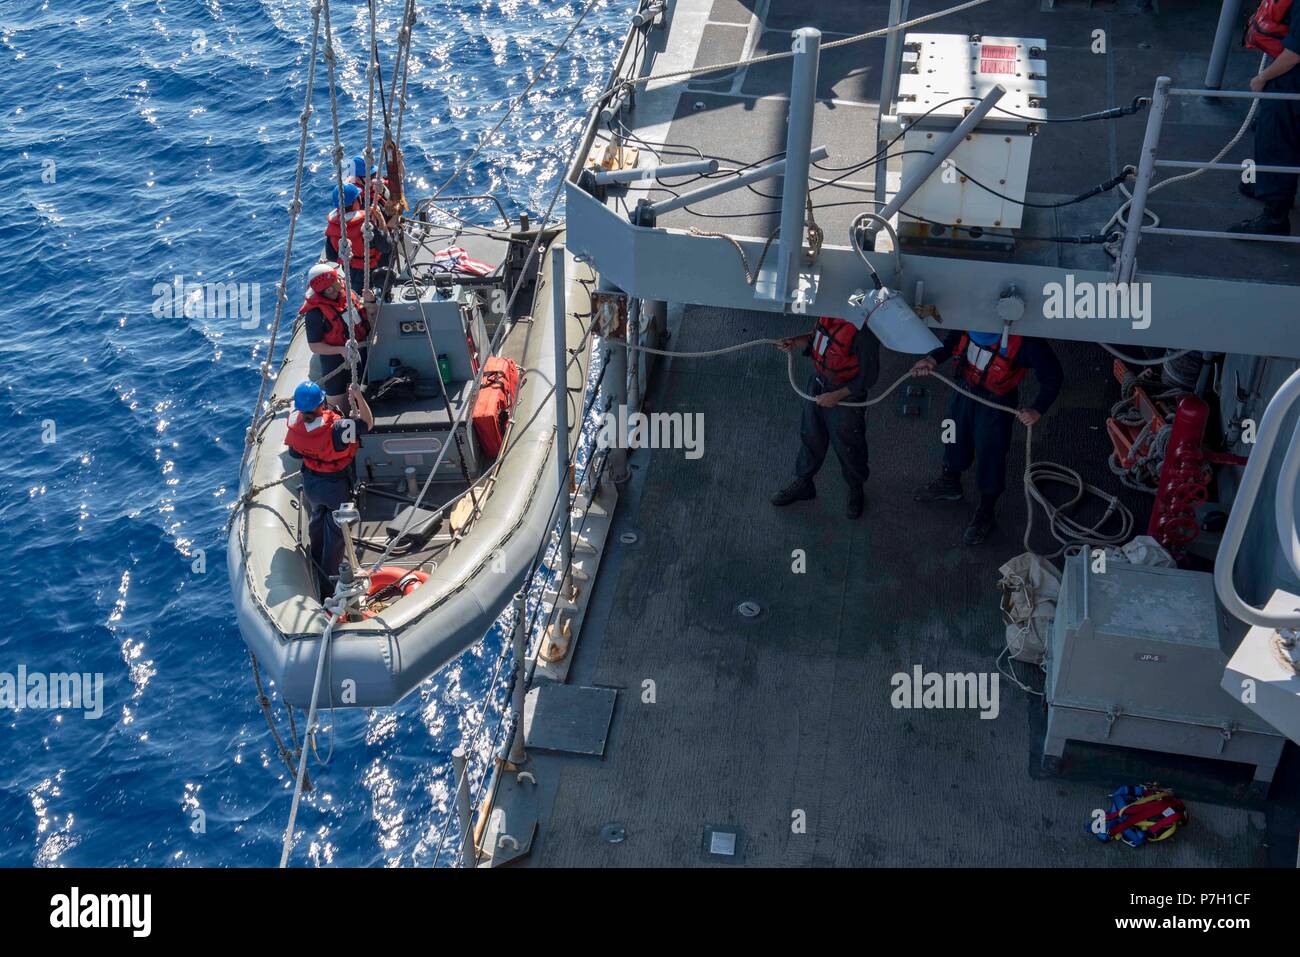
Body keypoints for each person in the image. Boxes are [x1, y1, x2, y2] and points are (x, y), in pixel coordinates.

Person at [911, 330, 1062, 545]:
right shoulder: (969, 320)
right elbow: (950, 342)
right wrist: (931, 359)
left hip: (996, 404)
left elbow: (1053, 376)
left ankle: (986, 508)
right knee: (950, 433)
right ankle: (950, 481)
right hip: (963, 390)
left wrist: (1037, 409)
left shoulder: (1027, 342)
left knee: (991, 454)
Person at [769, 315, 881, 519]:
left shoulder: (864, 335)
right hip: (819, 384)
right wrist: (795, 341)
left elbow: (869, 376)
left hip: (846, 397)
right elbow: (816, 339)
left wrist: (837, 396)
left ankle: (856, 488)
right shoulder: (827, 315)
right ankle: (804, 483)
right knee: (811, 434)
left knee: (849, 444)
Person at [284, 380, 375, 600]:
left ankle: (315, 563)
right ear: (321, 404)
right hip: (335, 485)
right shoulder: (338, 428)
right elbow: (368, 423)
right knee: (336, 532)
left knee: (317, 519)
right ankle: (330, 582)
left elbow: (295, 454)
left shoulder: (295, 425)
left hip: (311, 483)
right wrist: (358, 396)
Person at [1230, 0, 1300, 235]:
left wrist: (1262, 78)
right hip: (1288, 79)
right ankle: (1271, 186)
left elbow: (1294, 54)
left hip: (1292, 83)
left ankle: (1275, 216)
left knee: (1277, 141)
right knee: (1273, 136)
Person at [298, 262, 376, 409]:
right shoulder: (315, 314)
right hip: (335, 360)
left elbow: (368, 317)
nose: (334, 291)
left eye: (335, 286)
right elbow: (314, 346)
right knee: (339, 407)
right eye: (329, 290)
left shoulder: (349, 294)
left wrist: (370, 302)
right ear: (321, 292)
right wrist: (341, 350)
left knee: (368, 392)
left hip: (361, 350)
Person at [325, 181, 393, 292]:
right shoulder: (366, 226)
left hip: (351, 273)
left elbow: (331, 256)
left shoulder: (333, 228)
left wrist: (351, 260)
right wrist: (381, 220)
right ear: (356, 202)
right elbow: (387, 246)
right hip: (373, 273)